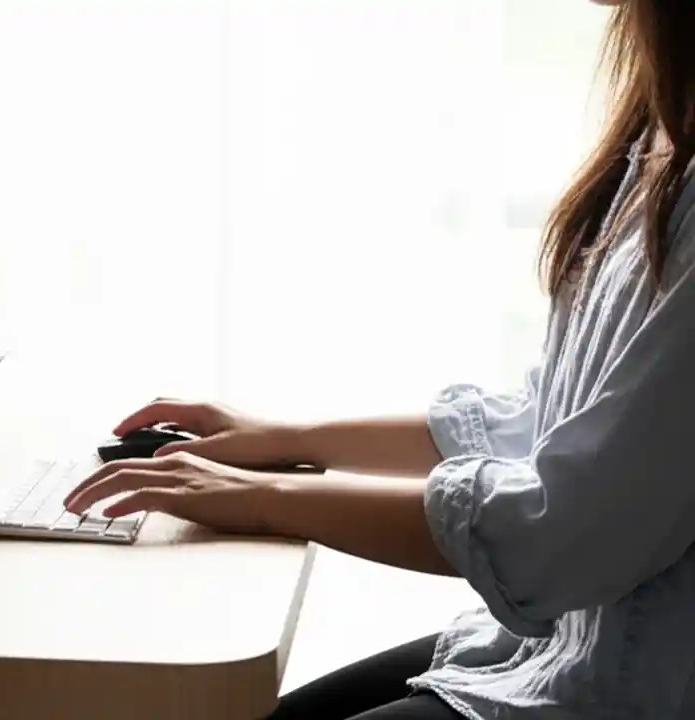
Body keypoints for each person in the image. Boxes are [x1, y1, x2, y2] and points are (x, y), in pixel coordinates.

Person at [63, 0, 695, 717]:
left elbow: (566, 533)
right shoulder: (658, 127)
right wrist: (286, 441)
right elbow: (545, 425)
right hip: (562, 653)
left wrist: (266, 500)